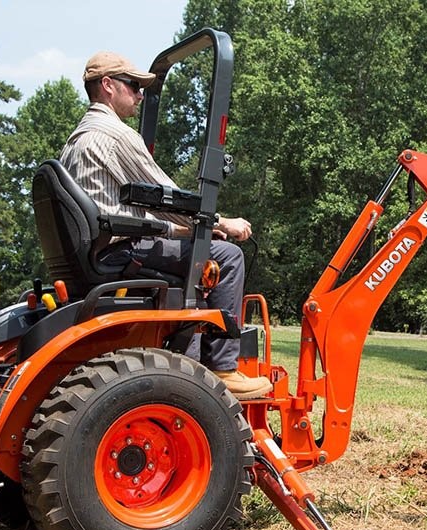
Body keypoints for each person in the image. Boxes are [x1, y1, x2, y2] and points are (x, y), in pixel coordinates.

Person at [60, 51, 272, 400]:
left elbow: (131, 213)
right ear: (108, 86)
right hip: (123, 251)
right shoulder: (115, 135)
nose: (141, 95)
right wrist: (220, 222)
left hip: (105, 251)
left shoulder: (78, 139)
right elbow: (168, 199)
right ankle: (222, 367)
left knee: (203, 249)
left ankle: (181, 361)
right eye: (134, 86)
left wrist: (190, 230)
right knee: (228, 256)